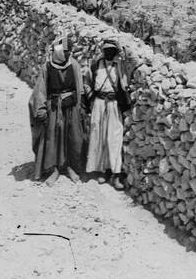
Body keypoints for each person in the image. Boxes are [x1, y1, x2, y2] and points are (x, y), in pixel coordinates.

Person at [29, 38, 86, 184]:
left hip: (71, 108)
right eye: (66, 52)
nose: (69, 54)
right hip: (54, 108)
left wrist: (81, 108)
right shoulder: (47, 67)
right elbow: (40, 91)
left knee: (72, 137)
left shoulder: (74, 65)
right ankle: (53, 169)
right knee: (52, 138)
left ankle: (69, 167)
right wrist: (41, 110)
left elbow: (79, 88)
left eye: (69, 52)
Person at [85, 37, 133, 188]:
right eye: (106, 50)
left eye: (112, 50)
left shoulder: (120, 66)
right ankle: (102, 170)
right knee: (99, 137)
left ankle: (116, 174)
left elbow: (134, 63)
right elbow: (87, 82)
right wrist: (91, 96)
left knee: (114, 137)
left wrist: (124, 51)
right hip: (99, 104)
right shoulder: (95, 65)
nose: (108, 53)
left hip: (113, 104)